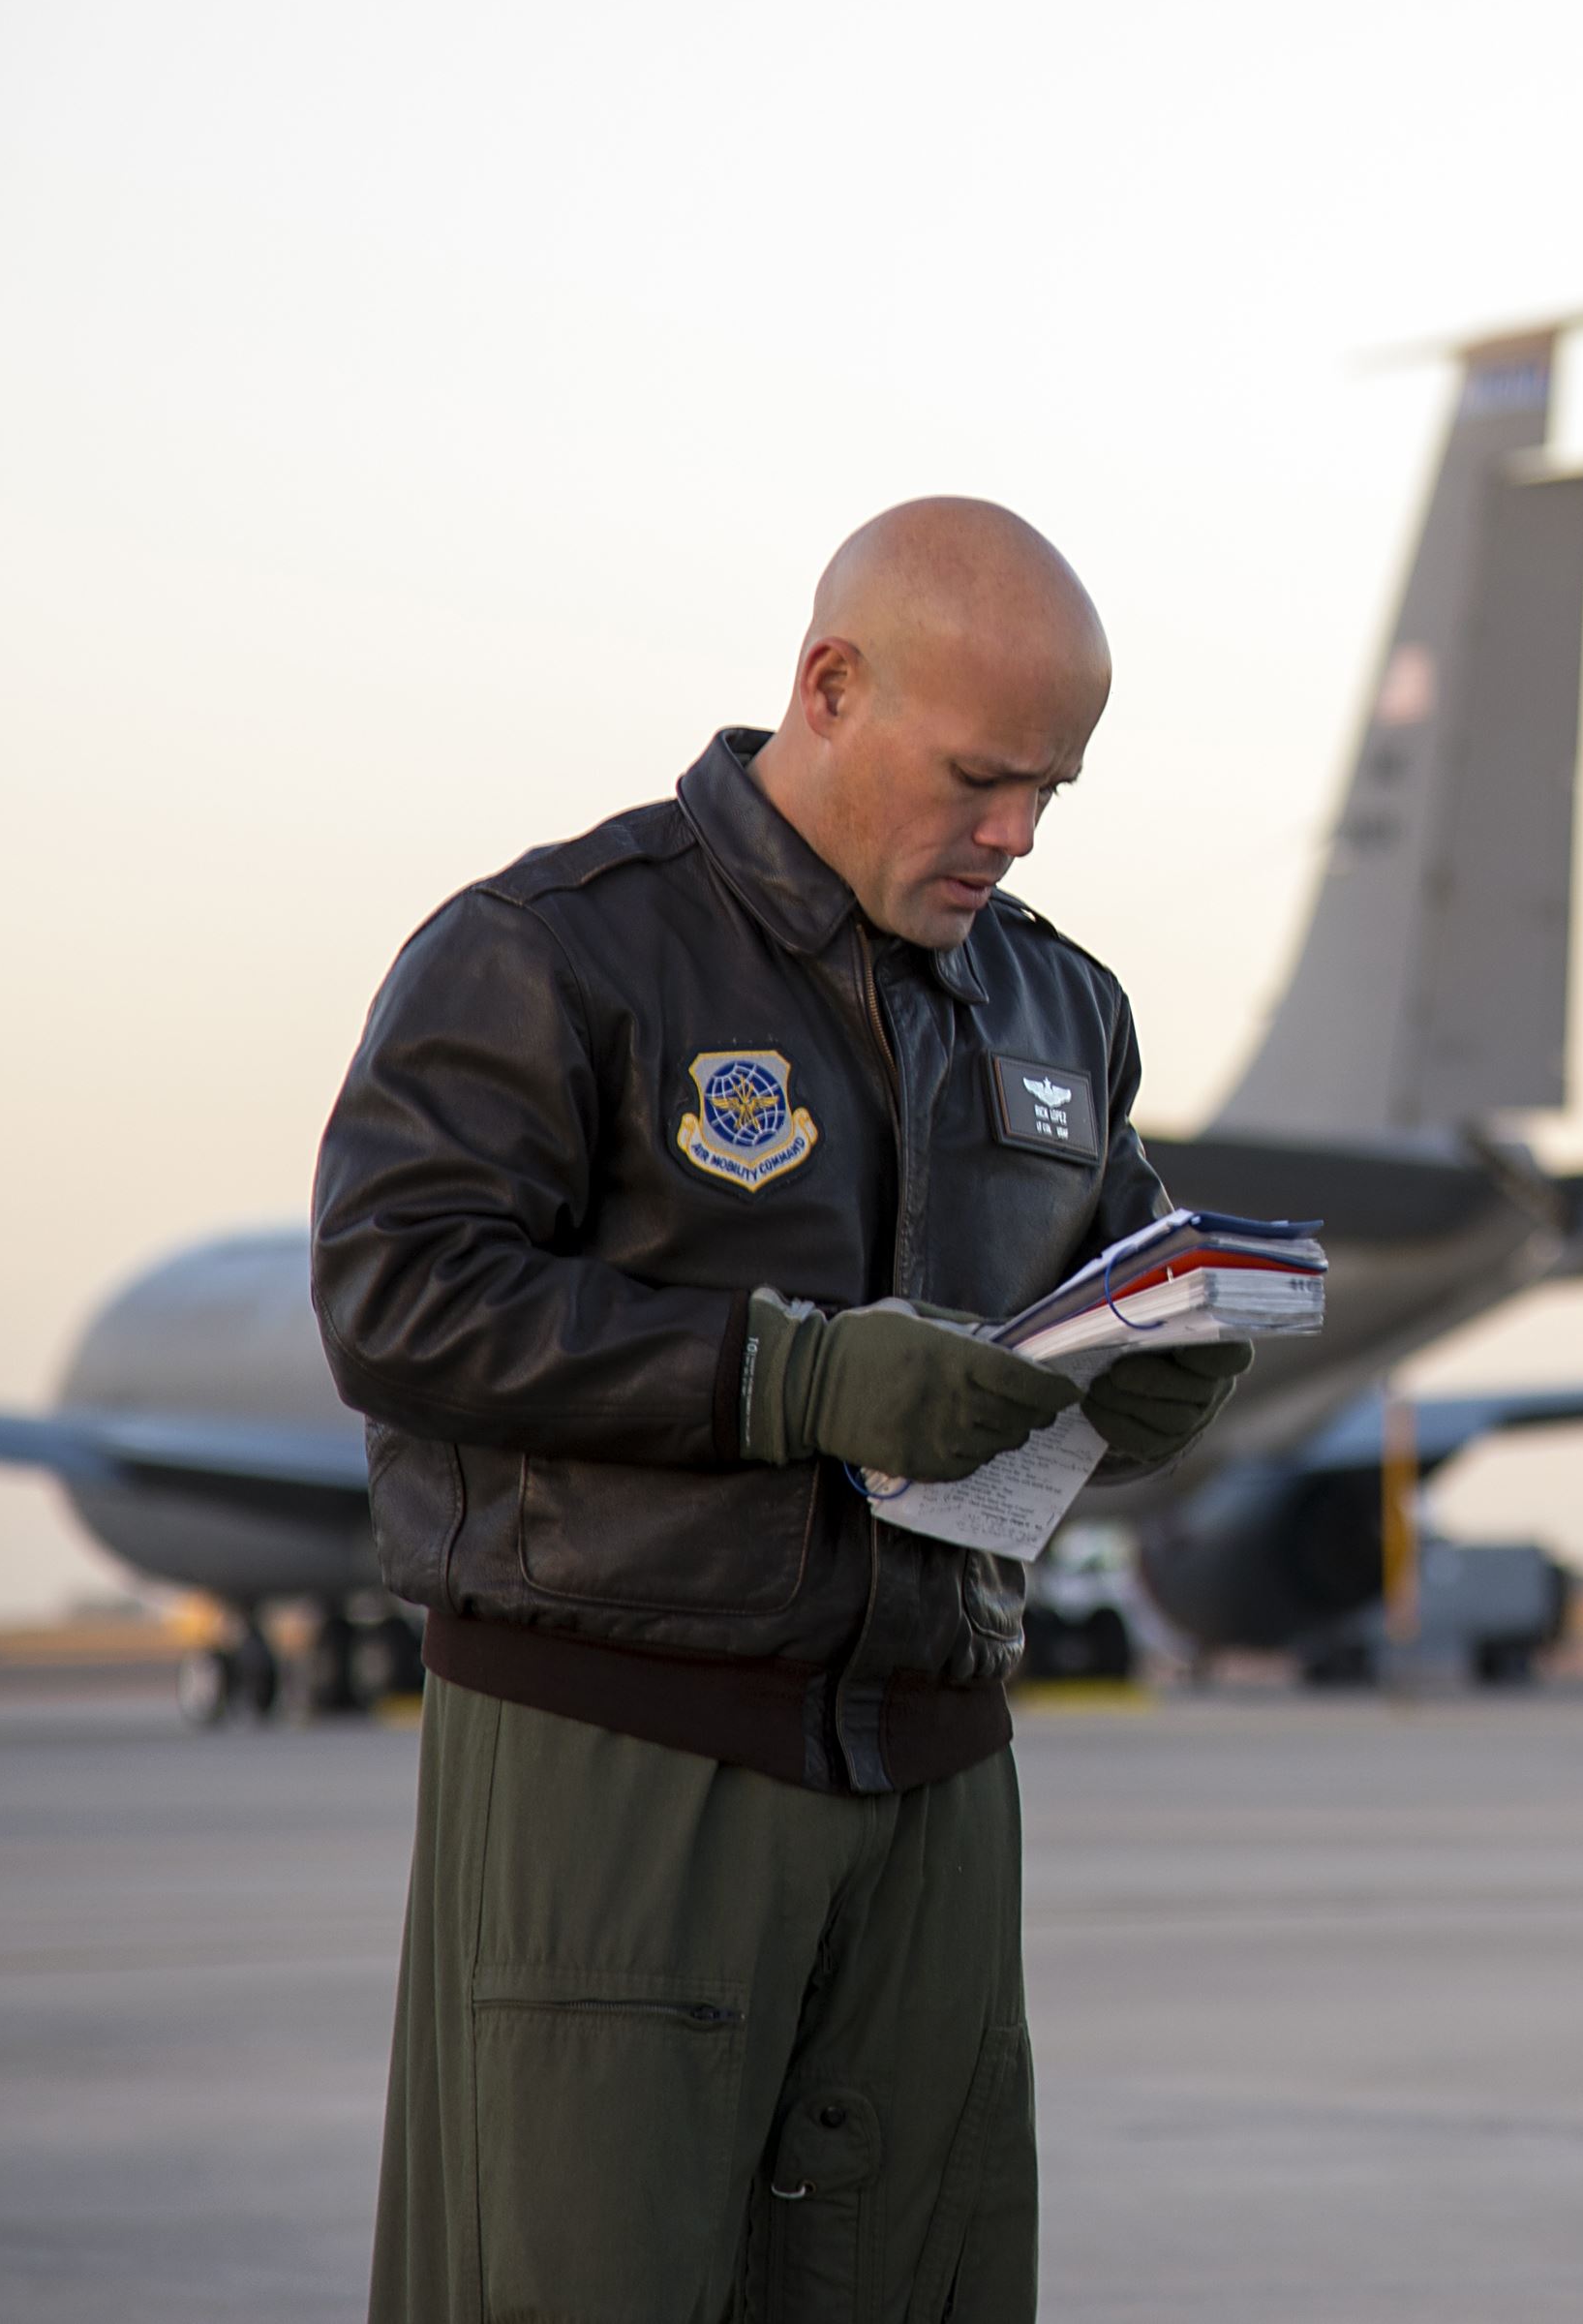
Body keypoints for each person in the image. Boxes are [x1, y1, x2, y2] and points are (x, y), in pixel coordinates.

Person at [312, 498, 1247, 2322]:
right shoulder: (553, 952)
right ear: (830, 687)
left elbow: (1115, 1276)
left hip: (938, 1772)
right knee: (581, 2279)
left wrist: (1163, 1362)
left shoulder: (1057, 1005)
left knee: (929, 2282)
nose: (1016, 831)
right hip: (622, 1761)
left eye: (1051, 789)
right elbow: (397, 1296)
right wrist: (785, 1373)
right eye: (980, 777)